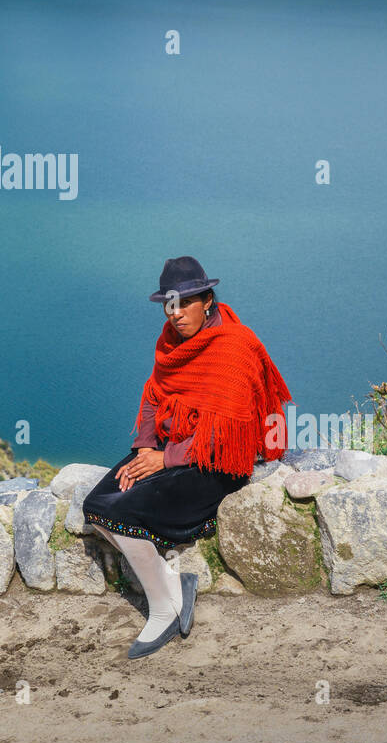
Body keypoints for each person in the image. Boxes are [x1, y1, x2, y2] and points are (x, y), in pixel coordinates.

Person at [83, 256, 291, 660]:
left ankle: (163, 609)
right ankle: (173, 584)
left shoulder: (235, 346)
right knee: (95, 506)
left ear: (207, 300)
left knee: (125, 512)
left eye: (184, 303)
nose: (175, 314)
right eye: (169, 304)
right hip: (169, 450)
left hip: (218, 464)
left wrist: (165, 459)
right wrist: (146, 446)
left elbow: (229, 431)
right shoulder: (170, 342)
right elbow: (153, 395)